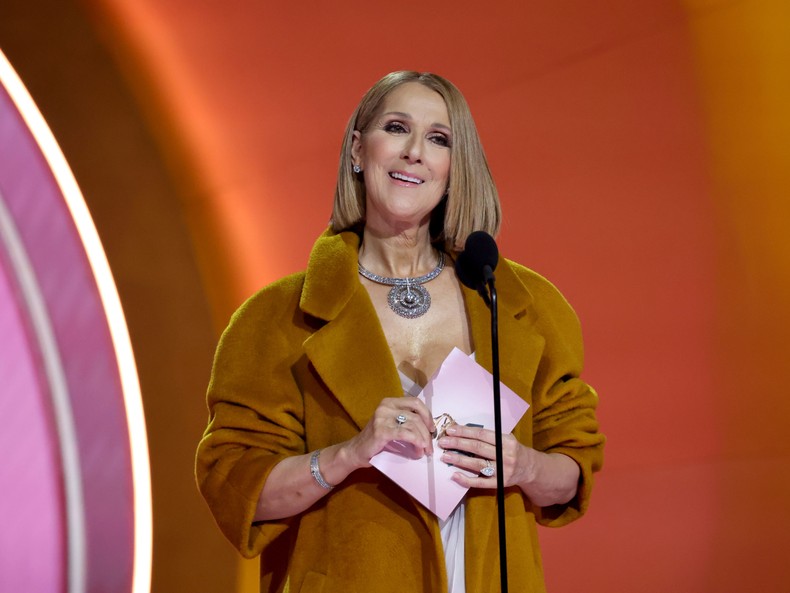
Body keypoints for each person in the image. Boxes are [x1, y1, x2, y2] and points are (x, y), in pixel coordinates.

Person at [196, 71, 605, 593]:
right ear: (357, 150)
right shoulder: (275, 318)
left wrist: (524, 465)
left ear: (454, 168)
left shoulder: (522, 304)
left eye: (439, 139)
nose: (415, 152)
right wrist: (349, 453)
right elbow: (236, 487)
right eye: (396, 128)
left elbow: (574, 467)